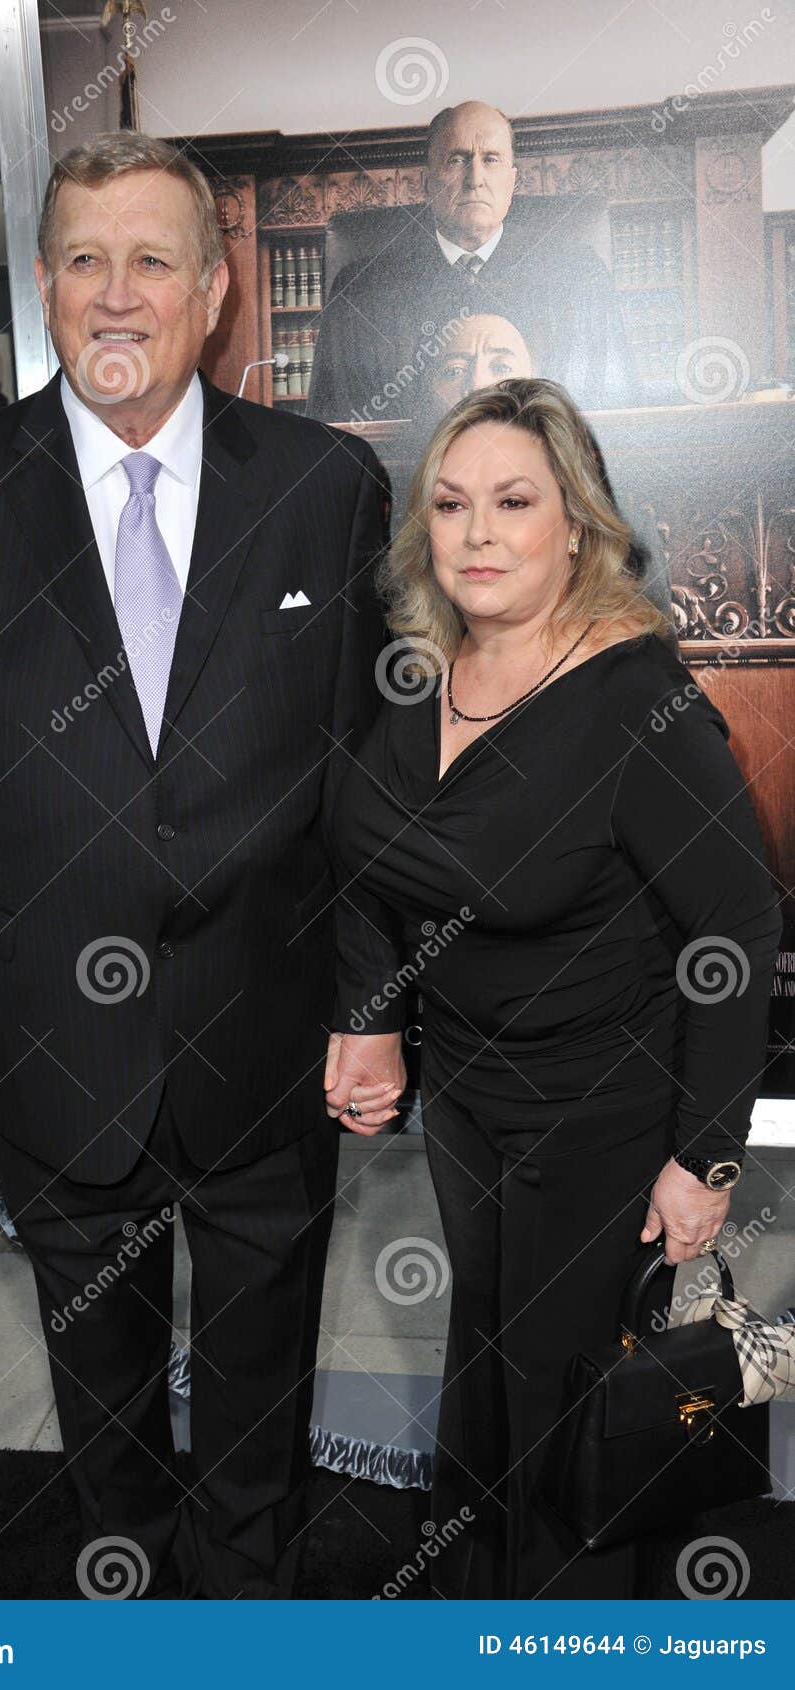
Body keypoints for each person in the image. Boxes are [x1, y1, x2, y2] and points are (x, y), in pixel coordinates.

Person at [0, 131, 406, 1600]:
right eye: (84, 259)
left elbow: (362, 779)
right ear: (42, 284)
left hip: (266, 1048)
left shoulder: (328, 487)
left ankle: (247, 1625)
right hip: (47, 1052)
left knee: (258, 1424)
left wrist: (373, 1000)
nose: (115, 293)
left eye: (152, 259)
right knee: (102, 1431)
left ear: (214, 292)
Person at [325, 376, 781, 1599]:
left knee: (567, 1411)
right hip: (469, 1101)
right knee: (482, 1370)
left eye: (513, 501)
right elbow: (369, 854)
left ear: (575, 523)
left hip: (604, 1119)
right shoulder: (420, 673)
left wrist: (707, 1157)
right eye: (452, 503)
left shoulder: (636, 695)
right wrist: (368, 1019)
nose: (476, 533)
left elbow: (736, 920)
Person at [307, 101, 641, 424]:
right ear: (426, 183)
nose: (475, 178)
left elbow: (617, 423)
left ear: (512, 181)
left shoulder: (579, 277)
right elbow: (335, 435)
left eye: (491, 159)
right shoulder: (362, 291)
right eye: (457, 160)